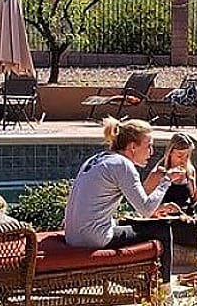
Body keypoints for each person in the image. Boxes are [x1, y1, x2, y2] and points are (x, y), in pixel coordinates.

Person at [63, 118, 185, 285]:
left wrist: (157, 208)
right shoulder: (123, 165)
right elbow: (146, 210)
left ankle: (147, 283)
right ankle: (164, 291)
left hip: (72, 235)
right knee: (162, 229)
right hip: (92, 238)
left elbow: (141, 205)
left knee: (130, 222)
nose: (151, 152)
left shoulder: (99, 158)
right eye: (148, 145)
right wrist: (167, 180)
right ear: (133, 147)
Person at [144, 133, 197, 248]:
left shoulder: (190, 171)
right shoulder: (158, 174)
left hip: (188, 218)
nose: (183, 161)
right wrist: (162, 207)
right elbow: (143, 206)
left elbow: (189, 204)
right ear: (170, 153)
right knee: (189, 227)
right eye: (180, 156)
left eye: (187, 156)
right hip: (169, 221)